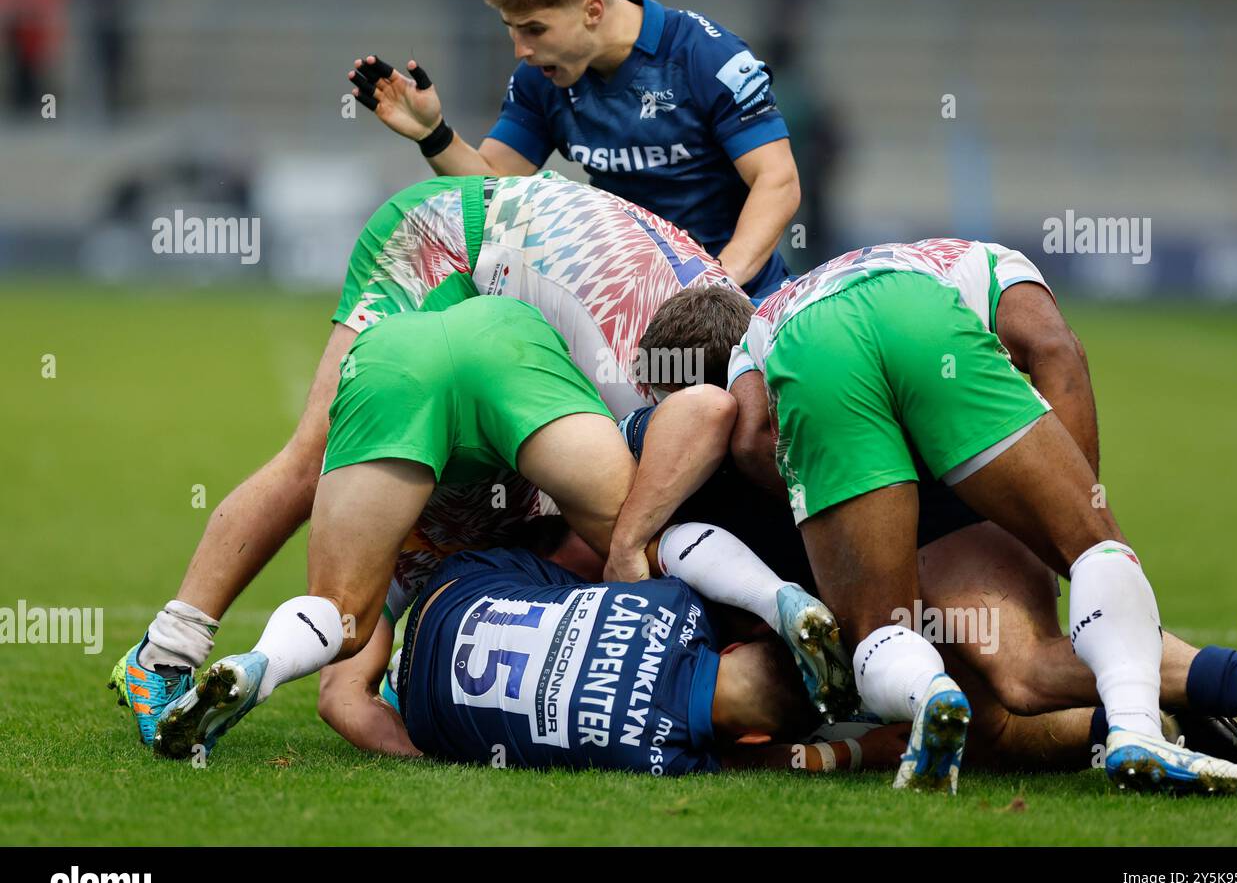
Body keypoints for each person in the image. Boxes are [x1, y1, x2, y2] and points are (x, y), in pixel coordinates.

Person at [109, 171, 742, 746]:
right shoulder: (639, 371)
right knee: (313, 462)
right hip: (439, 248)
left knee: (503, 502)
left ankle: (302, 663)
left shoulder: (714, 322)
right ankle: (164, 653)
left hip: (487, 301)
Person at [630, 239, 1237, 795]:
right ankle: (1182, 713)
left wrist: (848, 513)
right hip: (926, 335)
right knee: (1084, 571)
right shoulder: (987, 260)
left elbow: (749, 444)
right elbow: (1059, 352)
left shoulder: (754, 349)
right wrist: (1064, 530)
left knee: (896, 643)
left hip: (822, 369)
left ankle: (927, 695)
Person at [150, 298, 847, 761]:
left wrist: (422, 744)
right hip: (508, 352)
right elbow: (700, 406)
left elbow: (340, 700)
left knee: (344, 613)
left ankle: (260, 665)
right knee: (649, 541)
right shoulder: (595, 472)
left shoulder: (422, 549)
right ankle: (778, 599)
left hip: (395, 350)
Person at [315, 546, 1107, 778]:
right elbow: (782, 763)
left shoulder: (671, 607)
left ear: (733, 643)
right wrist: (855, 745)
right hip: (431, 712)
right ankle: (1127, 712)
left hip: (453, 595)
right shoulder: (657, 753)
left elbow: (581, 571)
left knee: (587, 562)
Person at [348, 0, 800, 300]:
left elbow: (777, 179)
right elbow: (497, 185)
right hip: (624, 305)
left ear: (593, 10)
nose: (520, 50)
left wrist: (714, 288)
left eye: (535, 29)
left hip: (739, 300)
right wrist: (433, 133)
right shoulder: (542, 77)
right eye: (511, 28)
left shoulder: (706, 57)